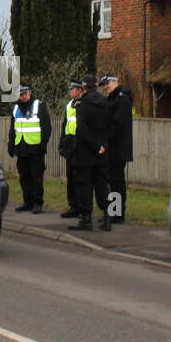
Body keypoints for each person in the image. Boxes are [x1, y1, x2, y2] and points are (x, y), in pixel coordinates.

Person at [68, 74, 112, 232]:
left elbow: (81, 129)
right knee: (102, 185)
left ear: (84, 87)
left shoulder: (83, 104)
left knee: (83, 186)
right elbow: (109, 126)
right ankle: (107, 218)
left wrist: (94, 146)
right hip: (101, 151)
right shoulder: (105, 102)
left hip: (84, 152)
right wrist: (102, 146)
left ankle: (86, 220)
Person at [7, 82, 50, 214]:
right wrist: (11, 144)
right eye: (20, 94)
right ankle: (28, 202)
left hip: (35, 149)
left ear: (30, 92)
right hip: (21, 148)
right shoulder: (16, 108)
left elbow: (46, 128)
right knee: (24, 177)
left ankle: (37, 203)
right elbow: (13, 129)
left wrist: (42, 145)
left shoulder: (39, 105)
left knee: (36, 177)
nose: (23, 96)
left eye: (24, 93)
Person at [99, 75, 135, 224]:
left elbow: (118, 125)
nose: (105, 87)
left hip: (117, 149)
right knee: (112, 182)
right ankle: (112, 212)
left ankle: (118, 214)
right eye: (104, 85)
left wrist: (106, 140)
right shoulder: (113, 99)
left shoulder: (121, 99)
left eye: (107, 83)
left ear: (116, 82)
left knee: (117, 182)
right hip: (113, 148)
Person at [57, 80, 81, 218]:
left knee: (80, 178)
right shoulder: (69, 105)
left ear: (78, 90)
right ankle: (73, 206)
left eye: (72, 89)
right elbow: (65, 125)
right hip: (70, 144)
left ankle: (81, 208)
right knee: (70, 177)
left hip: (80, 144)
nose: (70, 91)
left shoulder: (84, 104)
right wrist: (62, 143)